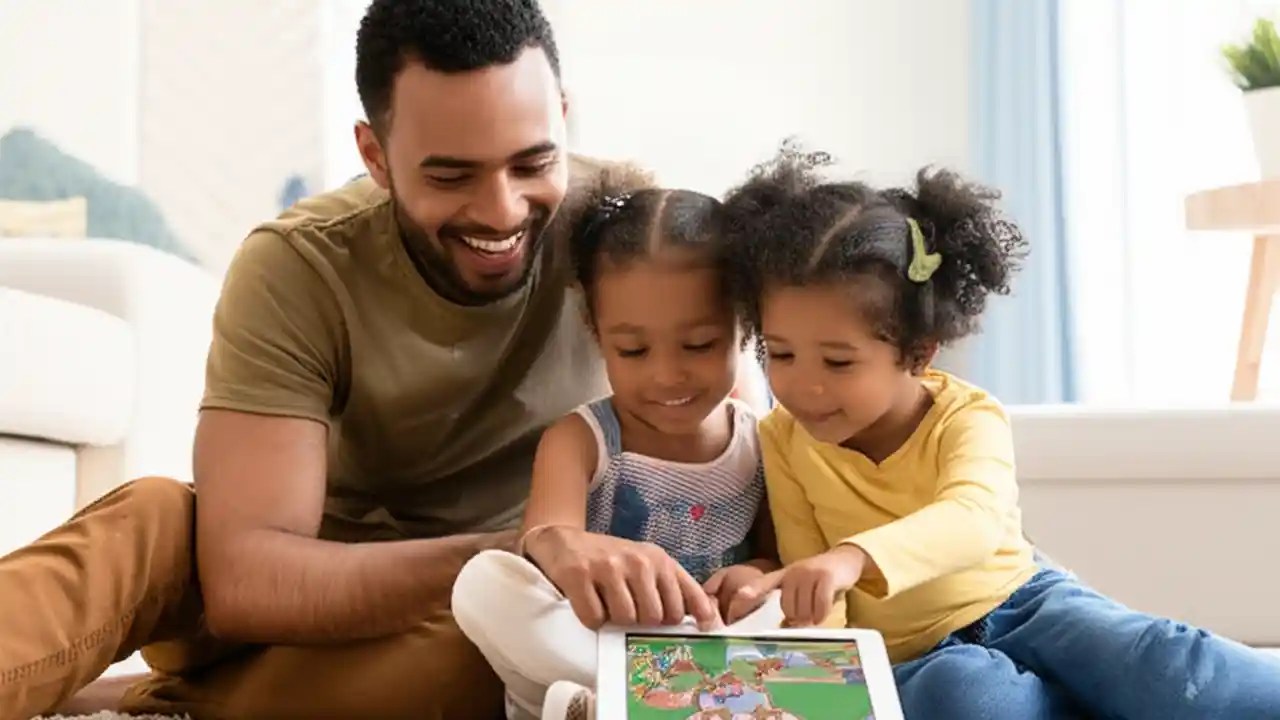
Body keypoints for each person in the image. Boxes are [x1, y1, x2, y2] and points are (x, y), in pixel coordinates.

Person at [0, 1, 686, 718]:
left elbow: (727, 450)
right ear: (374, 156)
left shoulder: (629, 239)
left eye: (533, 163)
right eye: (451, 177)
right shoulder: (298, 266)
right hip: (305, 598)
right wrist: (514, 553)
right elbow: (247, 582)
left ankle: (167, 703)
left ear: (563, 118)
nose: (502, 210)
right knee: (154, 518)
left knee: (491, 662)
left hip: (463, 631)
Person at [715, 143, 1280, 719]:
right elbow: (816, 584)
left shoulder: (967, 416)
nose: (804, 385)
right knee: (967, 694)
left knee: (1168, 663)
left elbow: (974, 518)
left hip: (1025, 604)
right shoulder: (783, 438)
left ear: (919, 352)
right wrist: (834, 674)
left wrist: (853, 557)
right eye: (780, 354)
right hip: (918, 656)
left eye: (838, 362)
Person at [451, 187, 784, 720]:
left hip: (711, 644)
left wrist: (756, 577)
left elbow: (774, 558)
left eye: (699, 345)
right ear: (596, 331)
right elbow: (545, 543)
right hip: (591, 647)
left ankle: (644, 700)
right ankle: (627, 697)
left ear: (746, 322)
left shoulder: (763, 442)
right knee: (482, 584)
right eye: (633, 350)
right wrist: (569, 551)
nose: (667, 375)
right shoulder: (582, 439)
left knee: (799, 597)